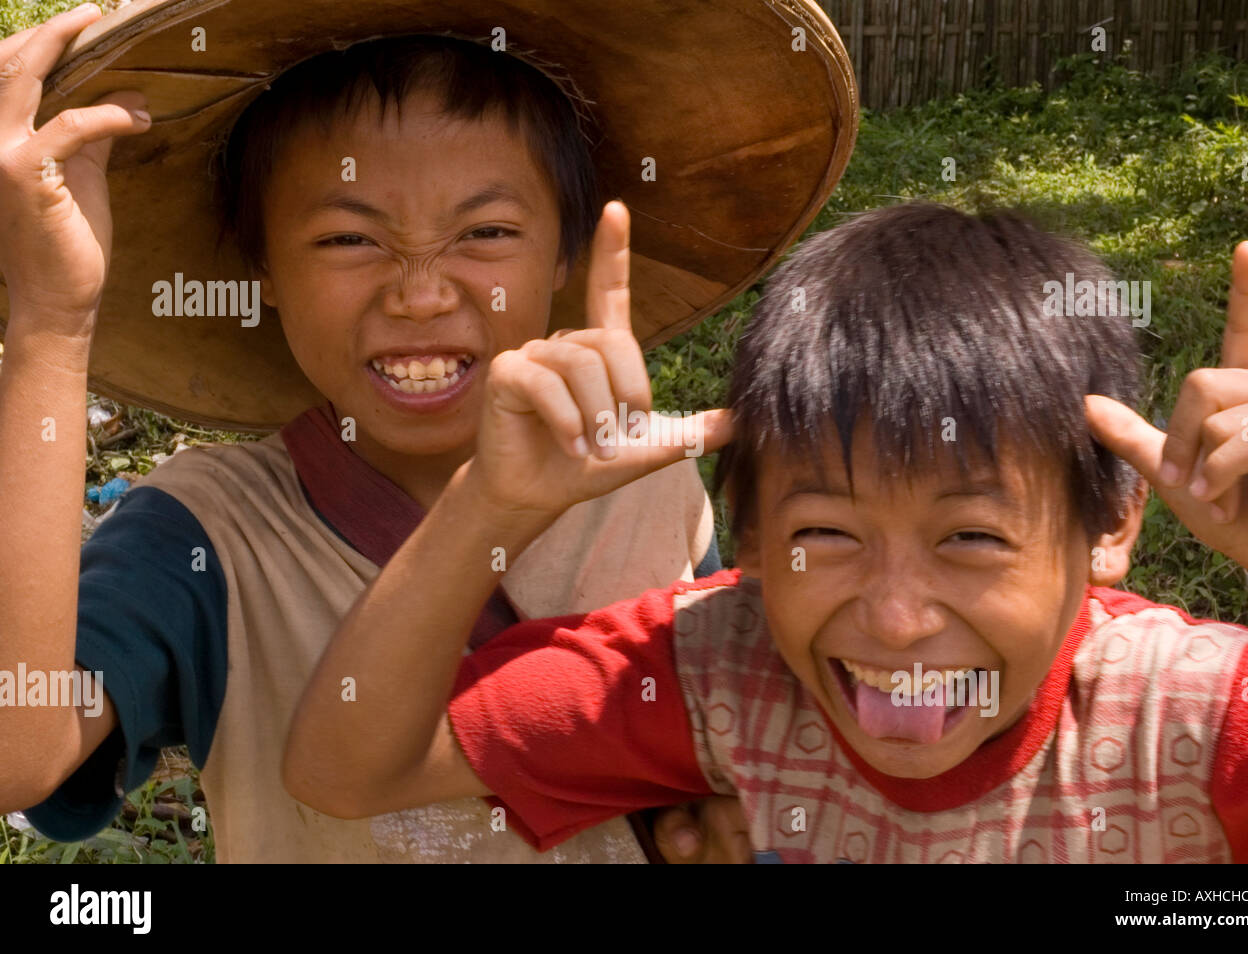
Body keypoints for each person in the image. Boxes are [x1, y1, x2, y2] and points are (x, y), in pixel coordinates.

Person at [0, 1, 856, 862]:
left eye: (486, 232)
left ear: (565, 250)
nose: (420, 294)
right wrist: (51, 320)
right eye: (347, 237)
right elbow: (16, 755)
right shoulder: (208, 533)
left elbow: (721, 738)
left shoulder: (648, 483)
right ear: (263, 268)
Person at [283, 202, 1248, 862]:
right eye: (828, 534)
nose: (896, 621)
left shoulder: (1211, 720)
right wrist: (488, 506)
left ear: (1110, 524)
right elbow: (351, 771)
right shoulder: (719, 674)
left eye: (972, 540)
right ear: (754, 538)